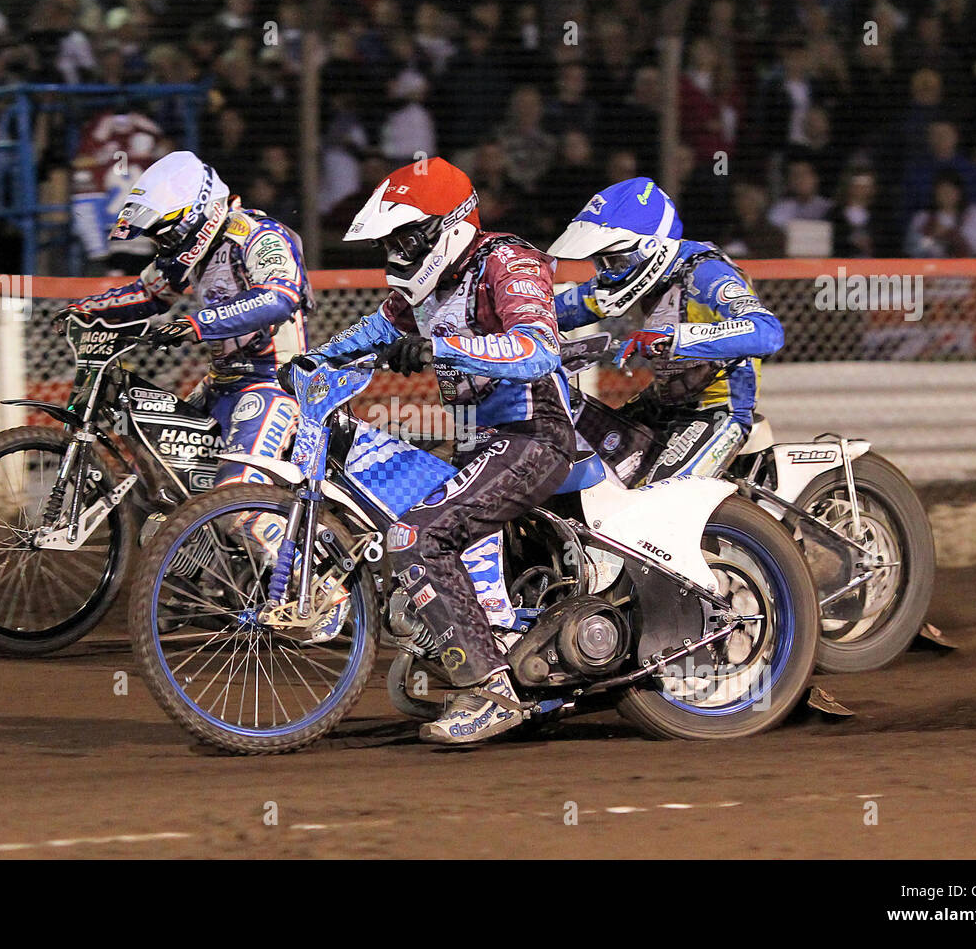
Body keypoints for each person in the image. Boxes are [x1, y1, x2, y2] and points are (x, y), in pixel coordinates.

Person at [288, 157, 573, 745]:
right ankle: (471, 635)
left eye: (405, 237)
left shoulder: (507, 261)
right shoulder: (421, 288)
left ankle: (491, 691)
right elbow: (368, 335)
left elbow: (538, 348)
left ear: (451, 227)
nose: (395, 252)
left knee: (416, 536)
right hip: (479, 443)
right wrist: (313, 360)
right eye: (390, 240)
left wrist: (440, 349)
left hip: (534, 435)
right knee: (400, 508)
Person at [58, 150, 310, 492]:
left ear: (196, 216)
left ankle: (271, 542)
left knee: (235, 500)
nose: (162, 246)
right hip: (219, 386)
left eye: (166, 235)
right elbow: (148, 293)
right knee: (155, 481)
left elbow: (280, 297)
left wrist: (198, 324)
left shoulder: (260, 235)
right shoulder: (197, 253)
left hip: (273, 386)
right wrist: (87, 309)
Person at [550, 176, 783, 481]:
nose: (608, 272)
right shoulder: (625, 280)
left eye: (615, 261)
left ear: (648, 248)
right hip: (660, 403)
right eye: (602, 262)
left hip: (717, 408)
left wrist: (675, 337)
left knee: (656, 497)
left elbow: (767, 331)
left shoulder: (705, 274)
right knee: (593, 473)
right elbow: (554, 310)